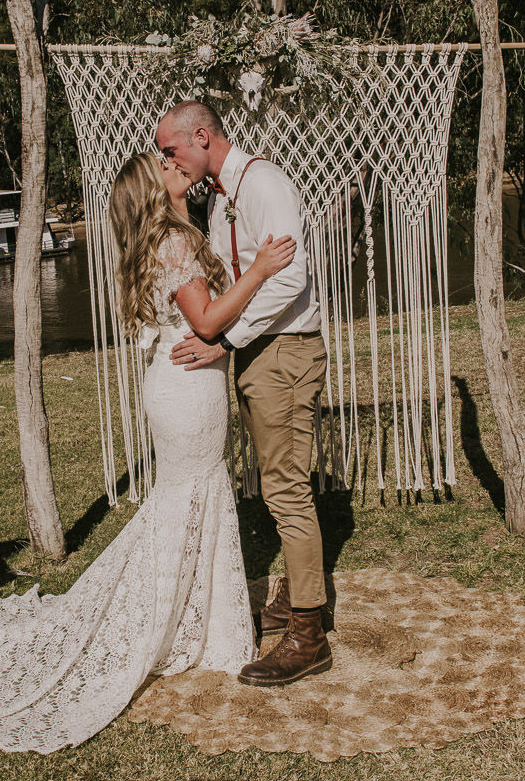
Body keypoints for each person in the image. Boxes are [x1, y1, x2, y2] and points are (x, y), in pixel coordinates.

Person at [0, 152, 295, 753]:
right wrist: (261, 270)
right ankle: (175, 623)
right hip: (185, 391)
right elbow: (208, 322)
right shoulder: (171, 244)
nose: (172, 165)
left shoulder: (175, 234)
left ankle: (202, 622)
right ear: (152, 191)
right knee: (187, 499)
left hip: (183, 384)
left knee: (191, 499)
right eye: (162, 164)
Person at [156, 100, 331, 687]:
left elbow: (289, 276)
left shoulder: (265, 184)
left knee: (285, 490)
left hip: (284, 350)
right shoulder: (222, 197)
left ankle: (308, 631)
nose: (167, 161)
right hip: (263, 351)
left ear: (201, 137)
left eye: (171, 149)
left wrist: (227, 339)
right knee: (277, 482)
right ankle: (301, 593)